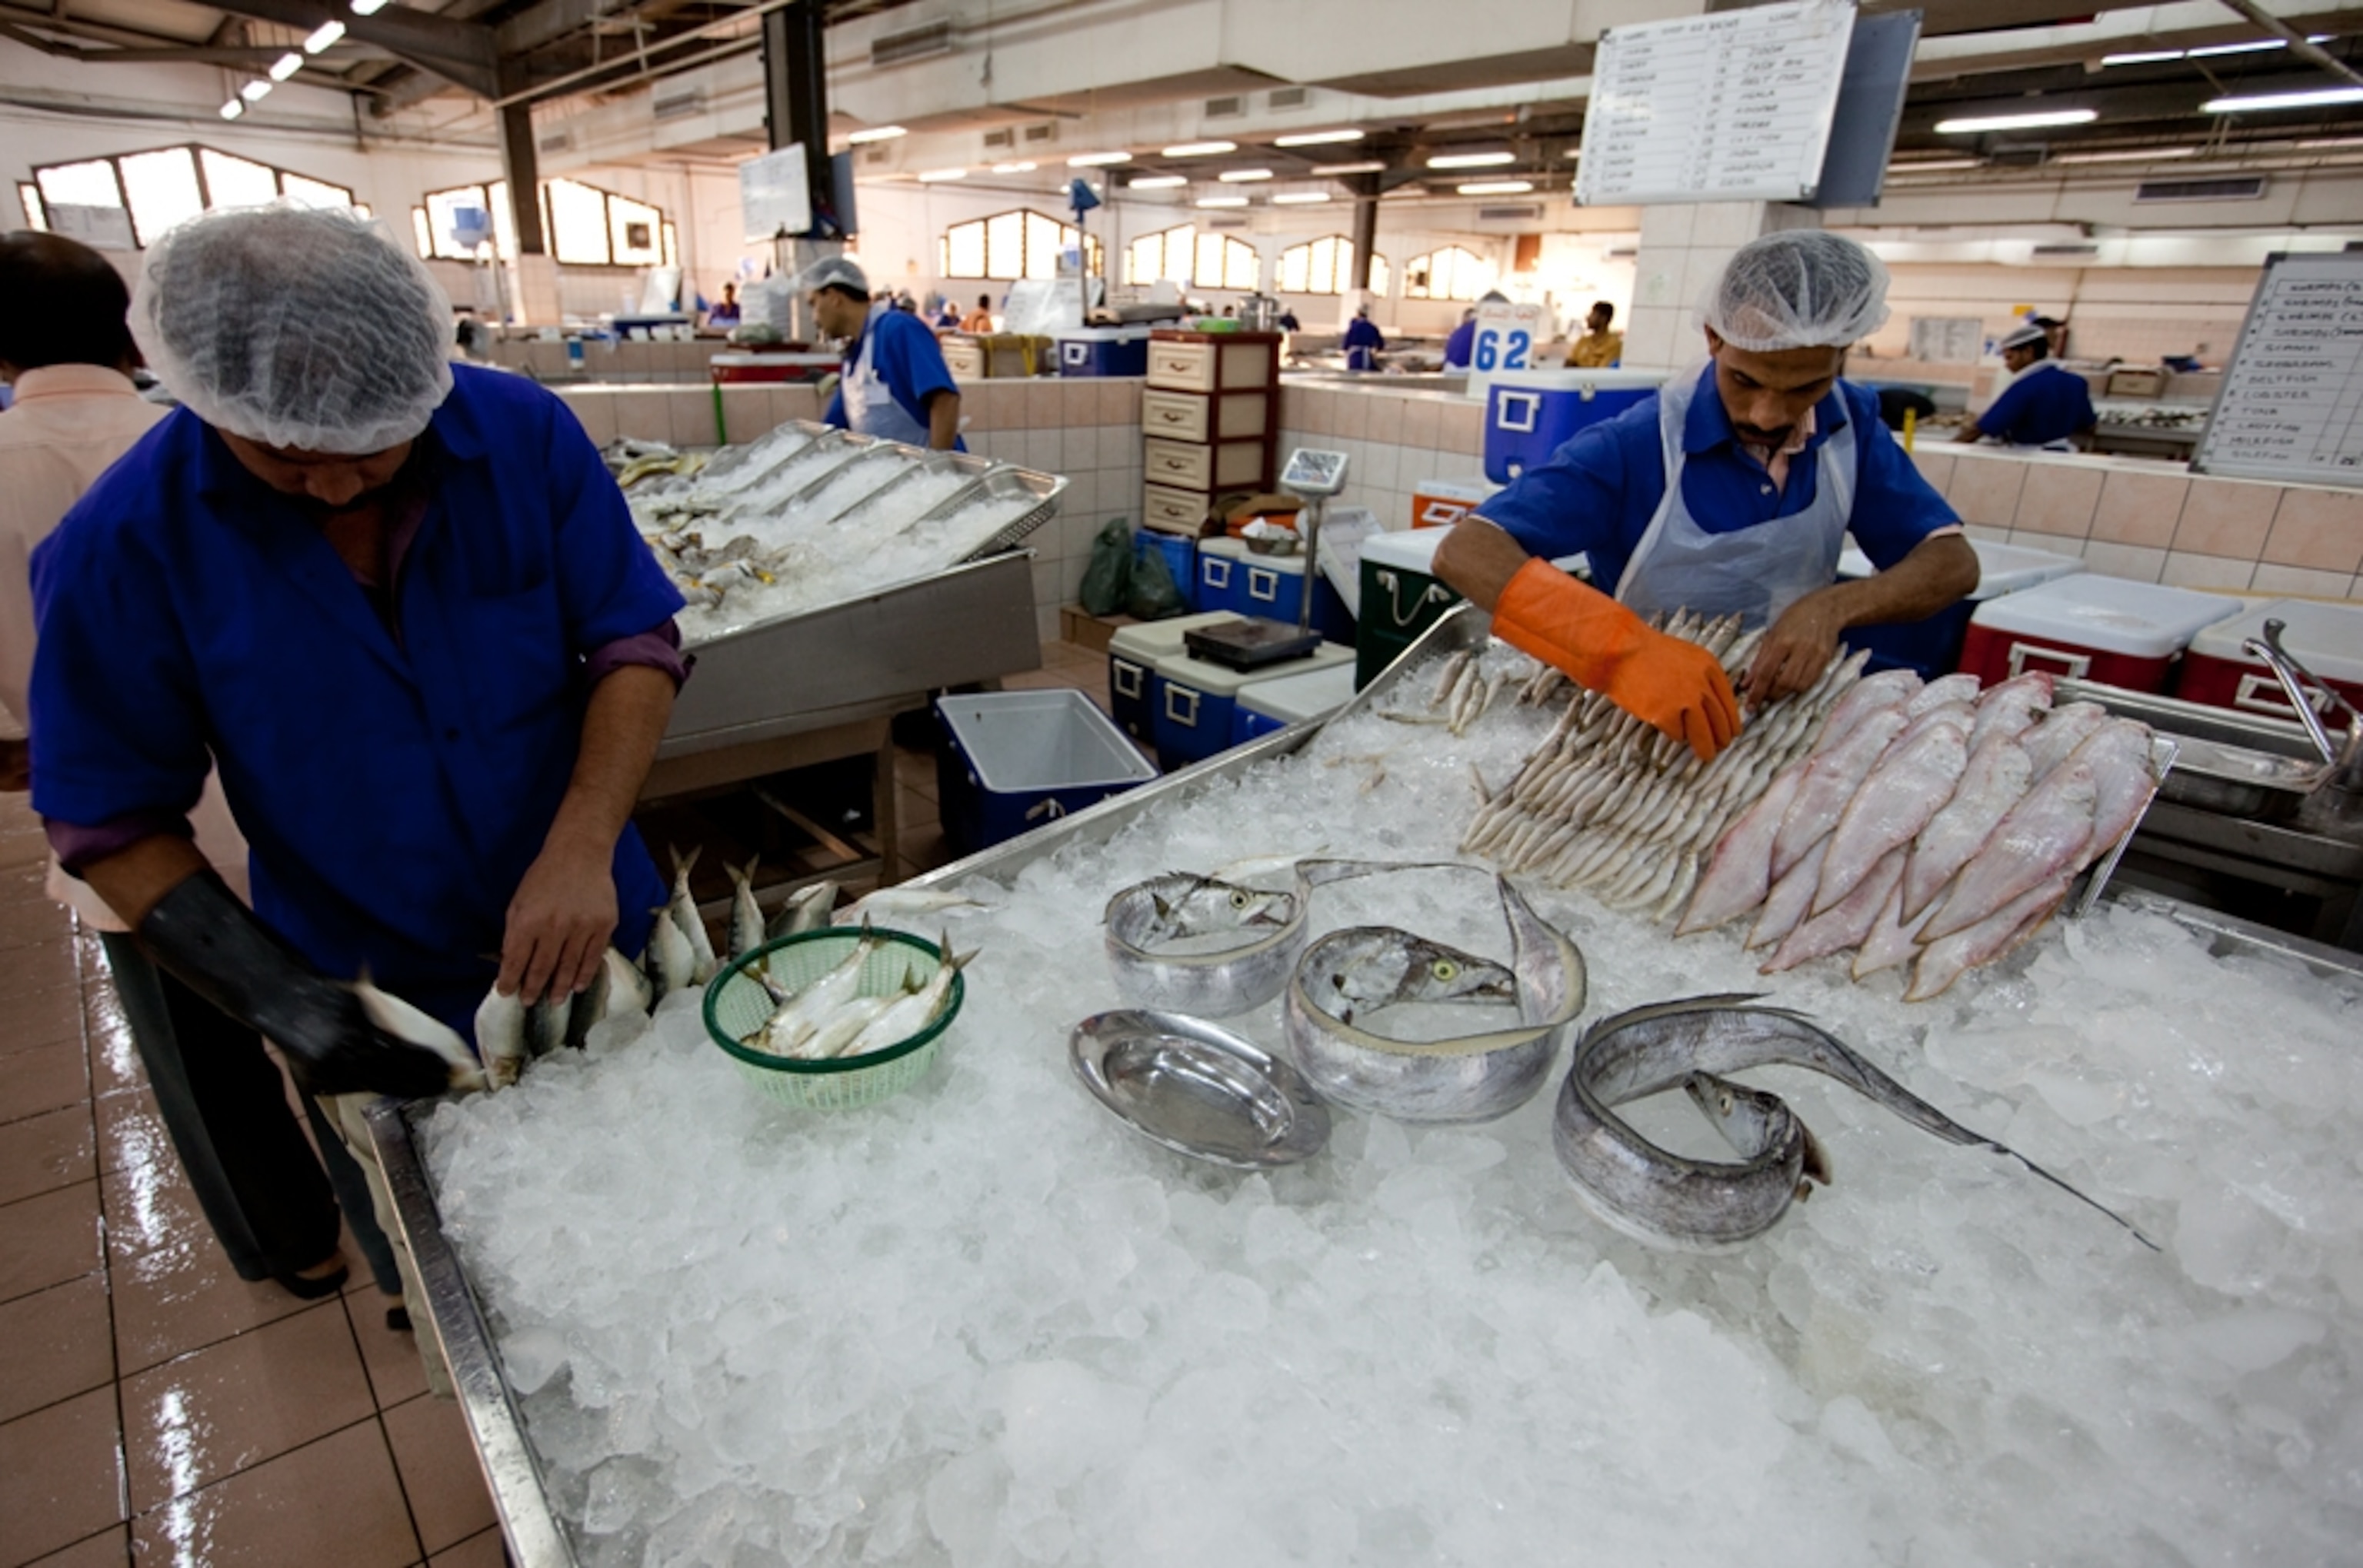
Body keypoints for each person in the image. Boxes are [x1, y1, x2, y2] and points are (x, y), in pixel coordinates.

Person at [28, 204, 688, 1393]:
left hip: (605, 939)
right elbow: (110, 822)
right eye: (281, 452)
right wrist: (288, 999)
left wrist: (581, 842)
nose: (331, 479)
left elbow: (633, 637)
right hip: (381, 995)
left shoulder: (524, 436)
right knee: (484, 1308)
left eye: (369, 447)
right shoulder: (123, 545)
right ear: (201, 396)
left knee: (670, 1238)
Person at [0, 228, 408, 1317]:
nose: (329, 482)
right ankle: (400, 1274)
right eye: (295, 461)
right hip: (272, 837)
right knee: (357, 1088)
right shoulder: (159, 474)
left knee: (222, 1076)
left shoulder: (252, 441)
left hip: (159, 881)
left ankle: (305, 1249)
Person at [1433, 229, 1978, 762]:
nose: (1769, 415)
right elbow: (1468, 550)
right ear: (1714, 337)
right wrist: (1627, 653)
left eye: (1804, 388)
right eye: (1745, 380)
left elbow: (1951, 562)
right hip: (1643, 728)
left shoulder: (1849, 424)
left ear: (1841, 355)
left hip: (1789, 719)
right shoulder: (1637, 444)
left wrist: (1831, 607)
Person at [806, 256, 964, 451]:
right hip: (897, 477)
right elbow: (833, 432)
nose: (814, 318)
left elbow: (945, 399)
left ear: (833, 297)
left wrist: (934, 470)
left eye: (813, 304)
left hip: (933, 477)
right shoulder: (853, 360)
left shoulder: (898, 329)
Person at [1955, 321, 2095, 451]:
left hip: (2028, 455)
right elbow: (2087, 423)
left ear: (2028, 352)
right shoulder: (2076, 382)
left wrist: (1950, 448)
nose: (2007, 365)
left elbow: (1986, 427)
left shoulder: (2026, 386)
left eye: (2010, 358)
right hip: (2064, 455)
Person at [1566, 300, 1624, 368]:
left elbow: (1601, 374)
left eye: (1593, 314)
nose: (1588, 318)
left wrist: (1578, 367)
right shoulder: (1583, 341)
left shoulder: (1614, 344)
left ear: (1603, 318)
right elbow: (1569, 364)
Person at [1342, 305, 1385, 371]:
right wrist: (1378, 349)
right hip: (1366, 354)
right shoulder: (1372, 327)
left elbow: (1347, 340)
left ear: (1358, 314)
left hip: (1354, 354)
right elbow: (1380, 342)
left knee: (1354, 371)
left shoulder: (1354, 326)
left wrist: (1344, 349)